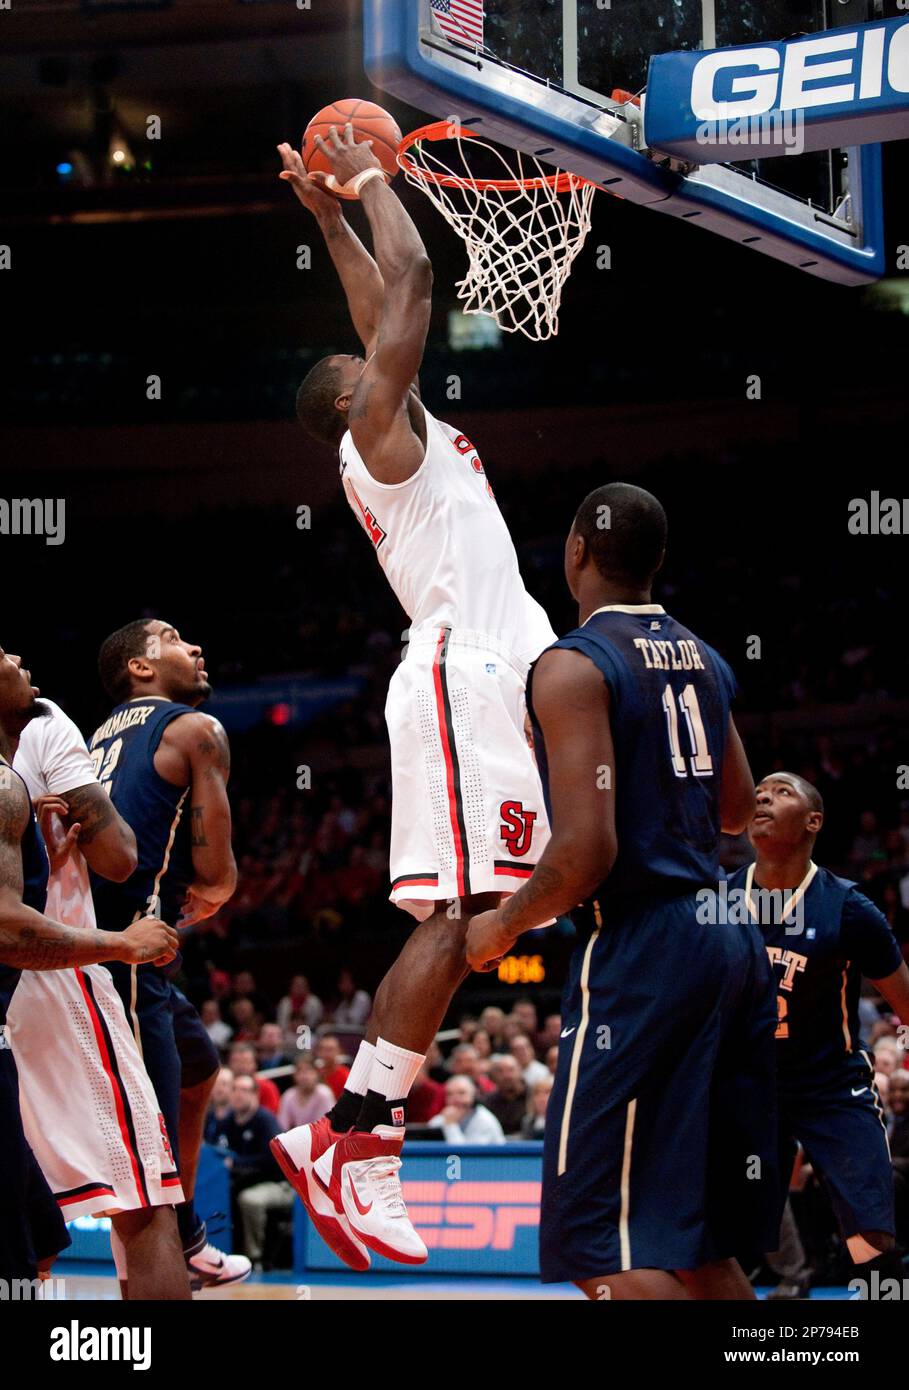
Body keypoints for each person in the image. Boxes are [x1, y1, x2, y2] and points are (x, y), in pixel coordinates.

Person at [273, 125, 555, 1271]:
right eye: (369, 360)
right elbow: (417, 283)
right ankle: (357, 1140)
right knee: (452, 921)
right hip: (455, 673)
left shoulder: (395, 428)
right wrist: (371, 172)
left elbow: (377, 302)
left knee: (494, 918)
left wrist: (331, 220)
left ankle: (348, 1128)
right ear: (354, 401)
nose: (382, 345)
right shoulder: (377, 438)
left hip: (497, 673)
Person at [467, 483, 779, 1300]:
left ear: (574, 554)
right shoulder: (703, 656)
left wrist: (501, 926)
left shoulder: (572, 664)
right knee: (695, 1244)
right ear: (658, 562)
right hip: (726, 931)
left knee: (591, 1244)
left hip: (643, 946)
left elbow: (585, 853)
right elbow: (740, 809)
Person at [0, 645, 178, 1286]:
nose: (19, 656)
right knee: (141, 1195)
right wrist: (119, 943)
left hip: (18, 992)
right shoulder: (42, 730)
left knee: (31, 1229)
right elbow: (120, 859)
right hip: (49, 967)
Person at [88, 618, 248, 1288]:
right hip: (121, 959)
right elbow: (217, 877)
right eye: (176, 638)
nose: (196, 646)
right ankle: (161, 1255)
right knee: (141, 1165)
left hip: (115, 945)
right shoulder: (193, 730)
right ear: (141, 668)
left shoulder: (95, 737)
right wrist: (210, 893)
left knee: (198, 1067)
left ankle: (181, 1229)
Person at [727, 773, 909, 1284]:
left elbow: (904, 1003)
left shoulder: (848, 907)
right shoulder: (716, 901)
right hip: (749, 1087)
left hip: (832, 1085)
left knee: (869, 1236)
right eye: (759, 789)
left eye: (782, 790)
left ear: (814, 821)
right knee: (724, 1242)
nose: (763, 795)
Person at [211, 1075, 290, 1268]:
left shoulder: (265, 1120)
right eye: (235, 1089)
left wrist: (236, 1162)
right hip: (239, 1181)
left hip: (276, 1184)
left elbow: (271, 1160)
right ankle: (219, 1251)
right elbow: (214, 1150)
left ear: (255, 1094)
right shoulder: (226, 1122)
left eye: (244, 1090)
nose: (238, 1095)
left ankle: (254, 1257)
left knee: (249, 1200)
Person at [427, 1076, 505, 1145]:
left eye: (462, 1093)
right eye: (450, 1094)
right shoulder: (445, 1117)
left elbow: (464, 1157)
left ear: (474, 1094)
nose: (455, 1099)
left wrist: (451, 1125)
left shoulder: (484, 1120)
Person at [277, 1055, 334, 1131]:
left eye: (309, 1071)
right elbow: (282, 1127)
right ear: (294, 1075)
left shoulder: (324, 1093)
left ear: (317, 1073)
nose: (304, 1076)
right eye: (300, 1071)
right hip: (295, 1139)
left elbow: (327, 1126)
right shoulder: (288, 1095)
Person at [229, 1042, 281, 1115]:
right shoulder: (224, 1086)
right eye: (237, 1062)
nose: (241, 1066)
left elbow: (272, 1116)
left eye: (246, 1062)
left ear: (254, 1064)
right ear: (230, 1064)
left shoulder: (267, 1087)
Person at [484, 1055, 528, 1138]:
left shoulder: (532, 1096)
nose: (506, 1076)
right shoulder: (488, 1102)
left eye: (511, 1070)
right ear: (494, 1076)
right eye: (501, 1071)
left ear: (520, 1071)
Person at [276, 974, 323, 1045]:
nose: (299, 988)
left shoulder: (314, 1001)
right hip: (287, 1035)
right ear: (291, 987)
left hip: (308, 1034)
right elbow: (281, 1023)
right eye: (296, 985)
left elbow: (317, 1023)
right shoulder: (285, 1002)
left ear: (307, 987)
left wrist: (302, 1029)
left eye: (302, 985)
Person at [205, 1067, 235, 1143]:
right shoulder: (206, 1116)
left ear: (233, 1087)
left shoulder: (240, 1117)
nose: (219, 1088)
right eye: (216, 1083)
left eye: (224, 1084)